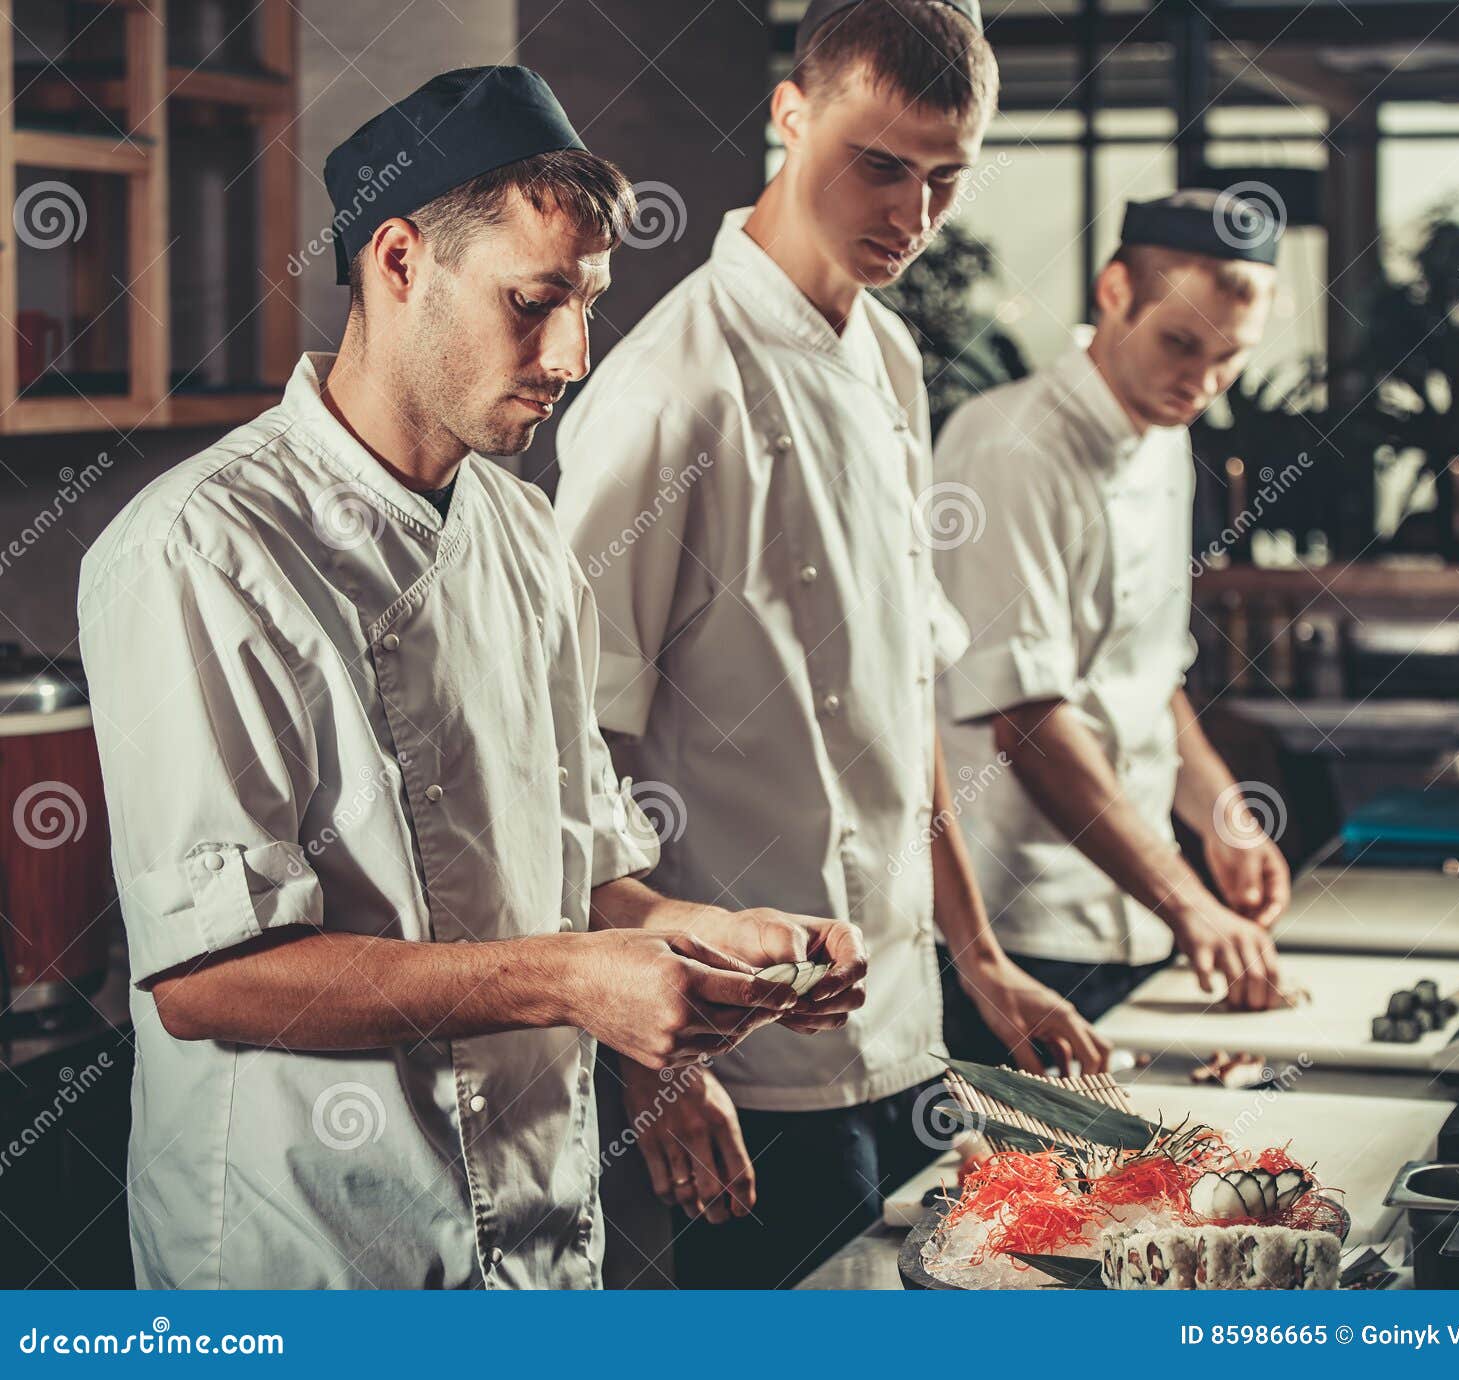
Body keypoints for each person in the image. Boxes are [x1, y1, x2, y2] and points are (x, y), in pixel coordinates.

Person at [76, 66, 864, 1291]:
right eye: (535, 301)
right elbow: (206, 979)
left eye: (589, 304)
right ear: (398, 261)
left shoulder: (522, 528)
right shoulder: (201, 547)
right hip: (315, 1256)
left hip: (539, 1236)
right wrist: (572, 982)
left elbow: (583, 872)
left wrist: (704, 948)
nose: (572, 353)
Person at [555, 0, 1111, 1291]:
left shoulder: (894, 360)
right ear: (789, 115)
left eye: (945, 178)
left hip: (908, 1028)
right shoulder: (665, 390)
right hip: (747, 1065)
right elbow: (567, 762)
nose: (913, 216)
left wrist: (979, 960)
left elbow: (904, 696)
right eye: (880, 164)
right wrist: (664, 1061)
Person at [933, 190, 1294, 1062]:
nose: (1203, 383)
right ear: (1113, 292)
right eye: (1180, 343)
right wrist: (1188, 901)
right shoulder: (1007, 448)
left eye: (1228, 359)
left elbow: (1142, 676)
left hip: (1131, 912)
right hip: (1022, 926)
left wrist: (1220, 816)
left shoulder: (1164, 438)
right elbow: (1028, 718)